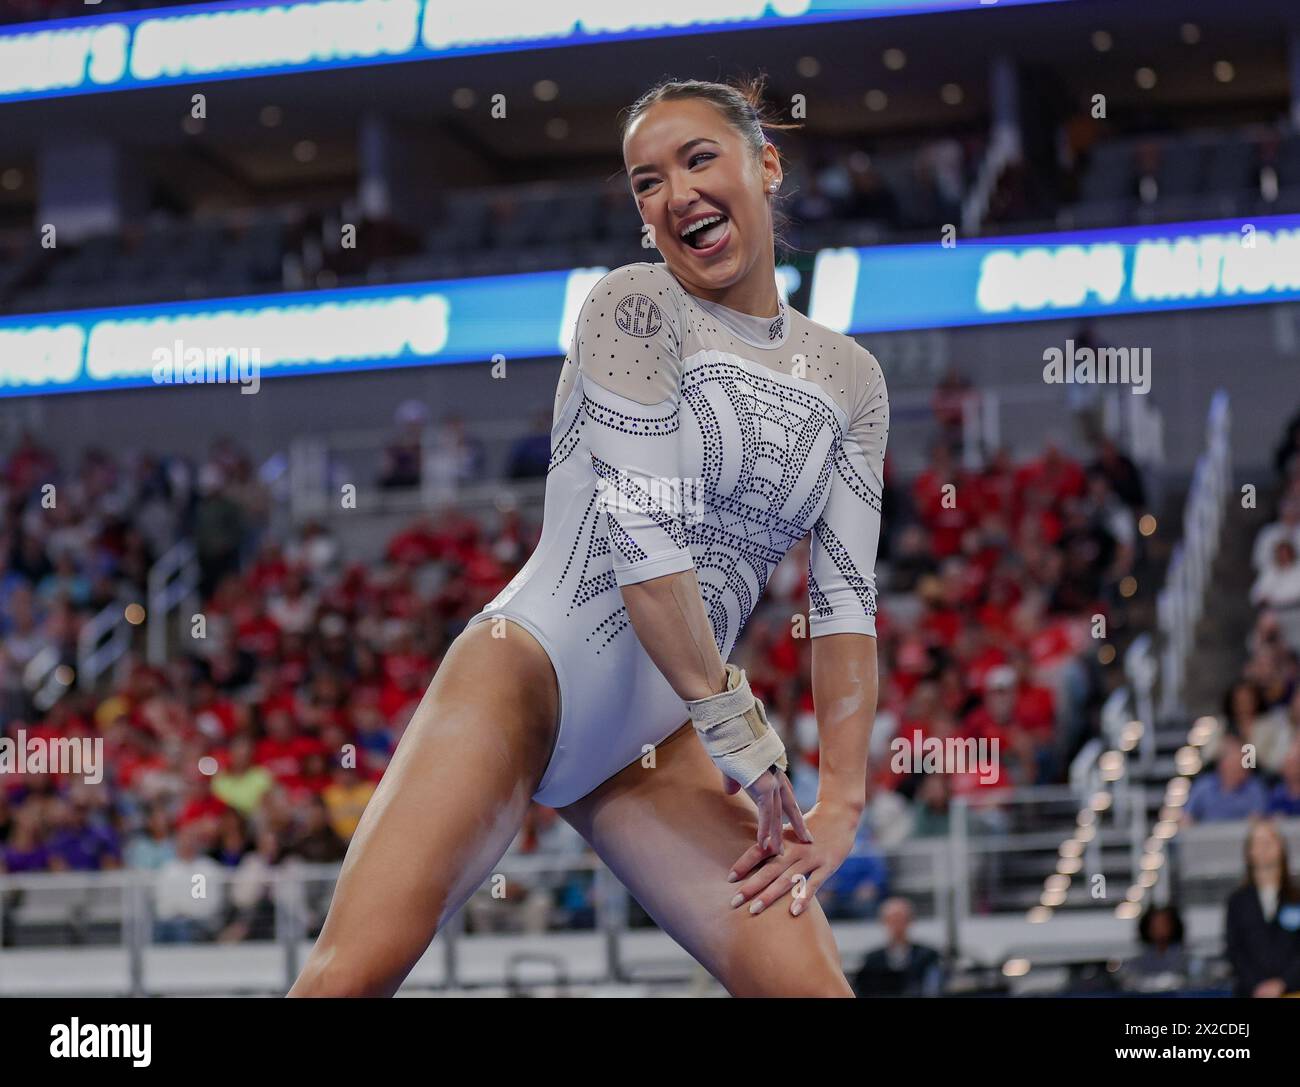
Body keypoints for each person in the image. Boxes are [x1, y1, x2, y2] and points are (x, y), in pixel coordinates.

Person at [290, 75, 889, 997]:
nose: (675, 194)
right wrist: (744, 737)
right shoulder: (633, 306)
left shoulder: (852, 380)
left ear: (765, 164)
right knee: (345, 981)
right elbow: (645, 547)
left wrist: (843, 800)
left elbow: (845, 599)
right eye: (646, 181)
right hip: (527, 677)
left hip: (658, 741)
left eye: (698, 159)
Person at [1224, 821, 1300, 998]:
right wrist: (1258, 986)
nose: (1264, 846)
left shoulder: (1297, 898)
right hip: (1251, 992)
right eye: (1257, 841)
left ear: (1281, 847)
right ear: (1249, 851)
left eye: (1270, 840)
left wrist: (1283, 983)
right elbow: (1234, 950)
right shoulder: (1237, 901)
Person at [852, 897, 942, 997]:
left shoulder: (927, 956)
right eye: (892, 920)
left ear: (910, 921)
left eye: (901, 919)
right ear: (884, 922)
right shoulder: (872, 960)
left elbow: (932, 989)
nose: (897, 925)